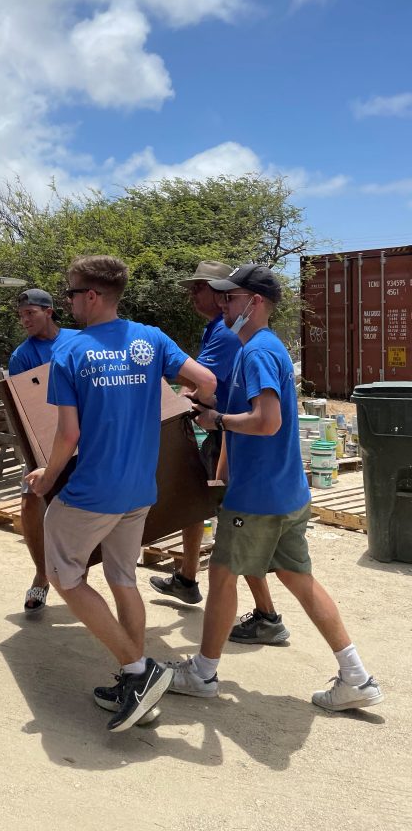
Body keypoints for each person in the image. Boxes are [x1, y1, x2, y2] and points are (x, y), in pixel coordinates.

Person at [167, 264, 383, 712]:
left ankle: (203, 673)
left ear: (256, 303)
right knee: (298, 579)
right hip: (285, 492)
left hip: (259, 496)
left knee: (223, 573)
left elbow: (267, 422)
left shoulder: (258, 352)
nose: (223, 304)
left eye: (231, 297)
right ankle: (356, 677)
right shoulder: (264, 347)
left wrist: (218, 421)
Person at [25, 256, 216, 732]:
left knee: (64, 576)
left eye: (70, 293)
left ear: (91, 296)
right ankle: (138, 691)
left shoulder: (70, 353)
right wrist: (191, 409)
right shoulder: (151, 339)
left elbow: (67, 436)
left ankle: (139, 671)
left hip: (93, 491)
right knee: (122, 579)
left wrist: (45, 481)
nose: (67, 302)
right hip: (139, 490)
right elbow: (208, 382)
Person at [150, 262, 291, 647]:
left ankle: (254, 624)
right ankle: (188, 577)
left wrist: (216, 421)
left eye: (205, 289)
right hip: (231, 437)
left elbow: (210, 387)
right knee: (206, 508)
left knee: (233, 537)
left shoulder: (242, 341)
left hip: (239, 445)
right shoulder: (223, 331)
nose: (194, 296)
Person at [8, 288, 77, 616]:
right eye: (21, 316)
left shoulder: (79, 340)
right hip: (45, 439)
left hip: (86, 435)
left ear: (49, 311)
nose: (25, 321)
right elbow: (25, 407)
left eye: (30, 314)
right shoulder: (23, 355)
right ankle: (41, 572)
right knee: (30, 498)